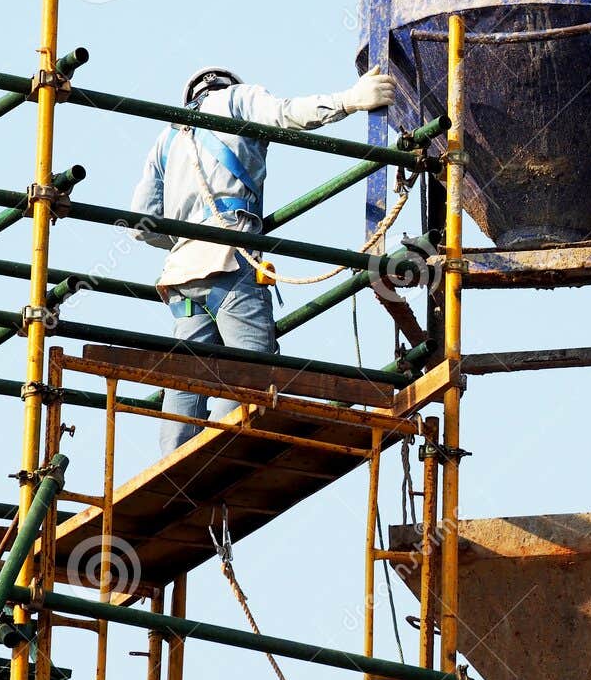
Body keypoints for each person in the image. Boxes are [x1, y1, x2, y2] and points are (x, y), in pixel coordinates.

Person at [130, 65, 396, 453]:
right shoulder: (238, 100)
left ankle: (174, 468)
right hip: (230, 258)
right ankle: (217, 460)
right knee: (246, 374)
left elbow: (140, 223)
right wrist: (350, 101)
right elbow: (286, 114)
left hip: (180, 275)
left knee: (187, 376)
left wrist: (188, 234)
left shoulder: (167, 138)